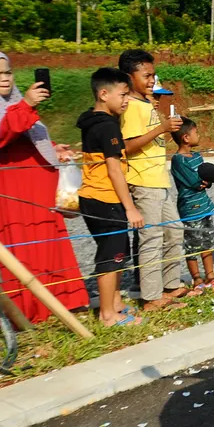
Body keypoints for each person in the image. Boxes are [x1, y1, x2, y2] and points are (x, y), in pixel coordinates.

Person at [0, 49, 87, 324]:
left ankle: (63, 302)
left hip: (37, 187)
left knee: (50, 243)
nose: (5, 79)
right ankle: (26, 313)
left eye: (8, 72)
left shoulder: (13, 102)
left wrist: (52, 148)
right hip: (9, 192)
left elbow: (25, 137)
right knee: (21, 248)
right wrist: (26, 103)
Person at [117, 49, 189, 312]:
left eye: (153, 74)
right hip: (143, 179)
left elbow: (152, 139)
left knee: (174, 231)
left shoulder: (147, 104)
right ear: (129, 77)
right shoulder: (130, 107)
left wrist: (165, 129)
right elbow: (126, 145)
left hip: (160, 178)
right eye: (146, 75)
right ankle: (150, 296)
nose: (151, 80)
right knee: (152, 236)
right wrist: (161, 128)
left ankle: (169, 285)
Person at [77, 68, 142, 327]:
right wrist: (130, 208)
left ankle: (116, 304)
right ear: (104, 94)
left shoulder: (90, 120)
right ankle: (107, 315)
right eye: (123, 95)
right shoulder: (106, 126)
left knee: (118, 251)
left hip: (93, 197)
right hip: (105, 198)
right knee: (110, 254)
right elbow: (114, 170)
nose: (126, 100)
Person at [169, 118, 214, 291]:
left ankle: (210, 275)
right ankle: (197, 279)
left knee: (207, 240)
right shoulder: (178, 160)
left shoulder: (198, 156)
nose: (199, 135)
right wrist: (206, 180)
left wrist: (210, 179)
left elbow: (206, 176)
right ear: (186, 137)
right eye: (196, 132)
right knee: (192, 244)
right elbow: (195, 181)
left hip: (205, 205)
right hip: (190, 209)